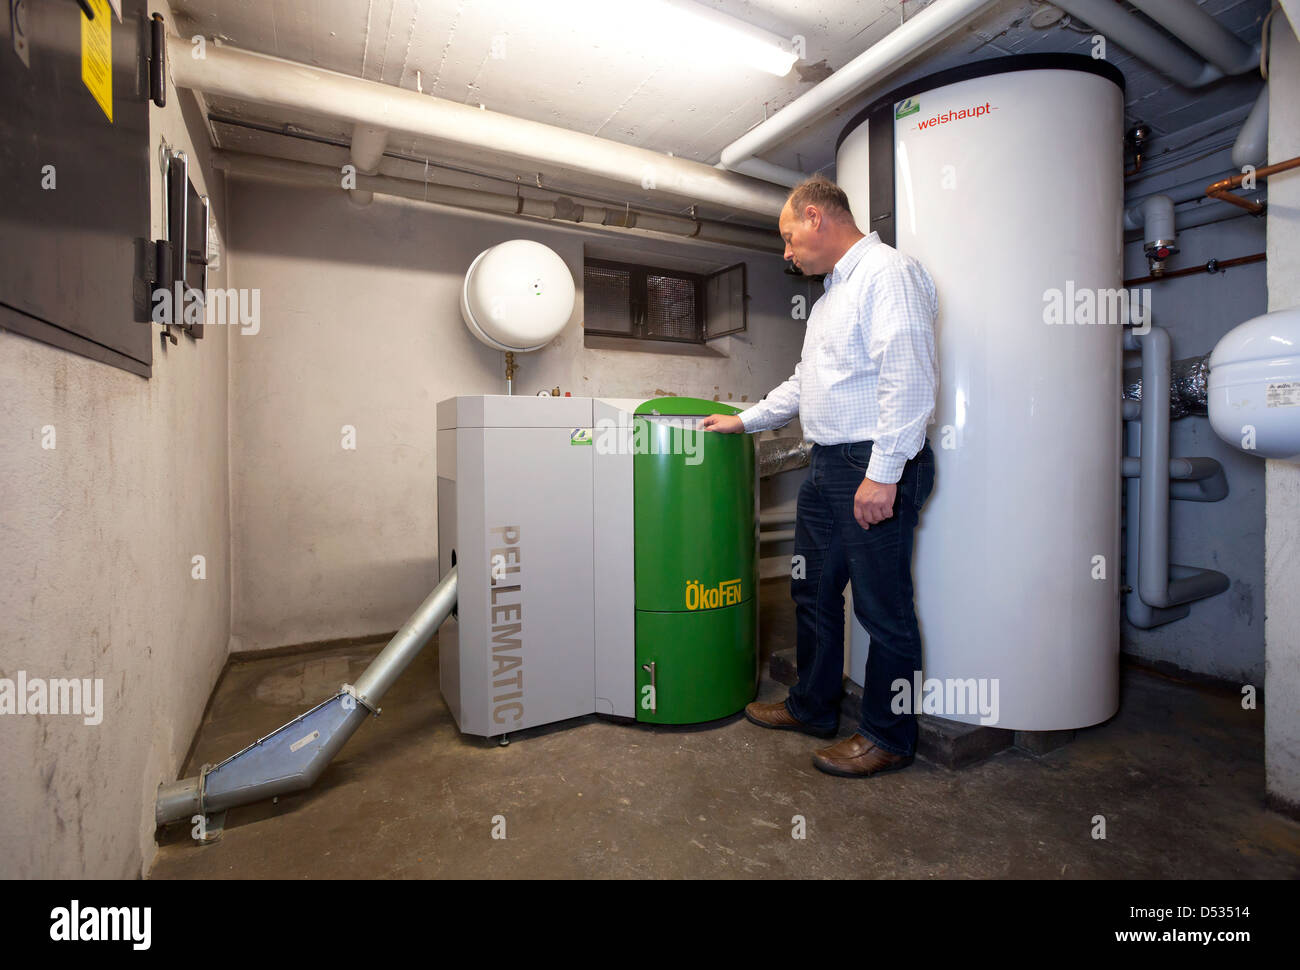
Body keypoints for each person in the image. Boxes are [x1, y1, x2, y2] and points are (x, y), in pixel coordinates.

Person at [700, 174, 938, 778]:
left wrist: (884, 475)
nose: (785, 253)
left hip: (874, 462)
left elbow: (907, 377)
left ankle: (887, 736)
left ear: (815, 217)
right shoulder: (832, 296)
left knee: (883, 611)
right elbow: (805, 384)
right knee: (811, 589)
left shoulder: (887, 274)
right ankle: (813, 706)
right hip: (828, 462)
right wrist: (744, 421)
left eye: (787, 238)